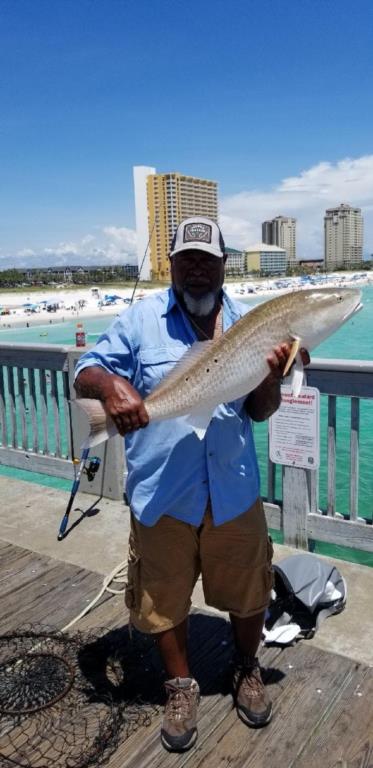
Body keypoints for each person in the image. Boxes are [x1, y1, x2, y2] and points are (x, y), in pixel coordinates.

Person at [74, 217, 309, 753]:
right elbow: (86, 369)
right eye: (188, 259)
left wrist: (271, 375)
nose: (198, 269)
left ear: (224, 264)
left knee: (251, 591)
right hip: (163, 492)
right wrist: (111, 387)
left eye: (208, 259)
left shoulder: (254, 321)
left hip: (234, 489)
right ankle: (181, 686)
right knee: (161, 599)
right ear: (172, 265)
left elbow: (261, 411)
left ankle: (246, 667)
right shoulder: (139, 321)